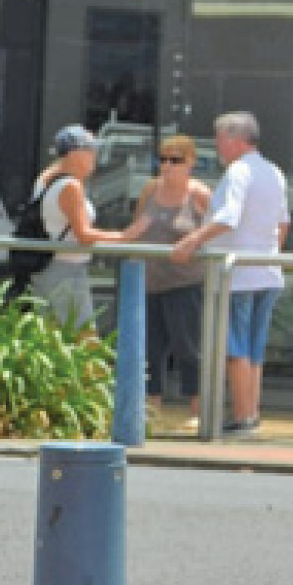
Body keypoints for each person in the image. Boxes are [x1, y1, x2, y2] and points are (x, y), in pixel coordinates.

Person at [168, 110, 290, 434]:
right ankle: (251, 415)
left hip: (238, 274)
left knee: (235, 349)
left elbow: (228, 218)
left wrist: (192, 239)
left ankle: (242, 417)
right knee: (253, 349)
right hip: (266, 271)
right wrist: (268, 252)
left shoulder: (238, 173)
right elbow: (283, 223)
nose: (218, 146)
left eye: (220, 138)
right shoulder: (273, 172)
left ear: (234, 140)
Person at [121, 133, 213, 419]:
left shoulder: (199, 195)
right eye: (162, 159)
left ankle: (197, 411)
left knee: (188, 348)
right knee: (150, 348)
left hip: (185, 283)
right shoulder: (151, 190)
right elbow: (136, 229)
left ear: (191, 163)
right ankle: (149, 410)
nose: (167, 166)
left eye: (175, 160)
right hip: (150, 281)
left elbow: (215, 233)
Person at [26, 124, 112, 330]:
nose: (94, 156)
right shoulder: (70, 185)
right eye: (90, 150)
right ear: (74, 153)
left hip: (47, 267)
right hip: (67, 270)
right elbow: (83, 233)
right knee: (85, 338)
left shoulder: (47, 177)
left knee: (52, 336)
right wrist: (127, 236)